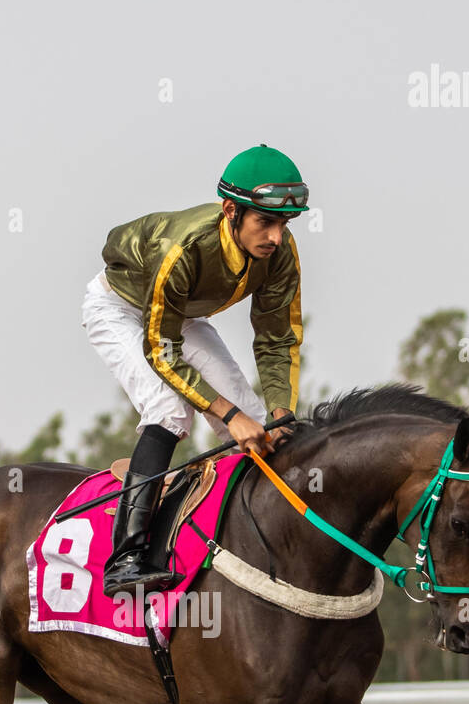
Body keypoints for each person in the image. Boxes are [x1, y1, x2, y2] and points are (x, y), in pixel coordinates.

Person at [81, 143, 308, 597]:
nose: (276, 238)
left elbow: (277, 338)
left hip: (180, 314)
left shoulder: (280, 254)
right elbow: (162, 353)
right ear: (231, 211)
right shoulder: (182, 248)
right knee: (169, 410)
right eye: (265, 222)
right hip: (121, 309)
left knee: (258, 425)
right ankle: (126, 557)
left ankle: (251, 544)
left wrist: (281, 413)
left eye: (283, 224)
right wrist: (226, 415)